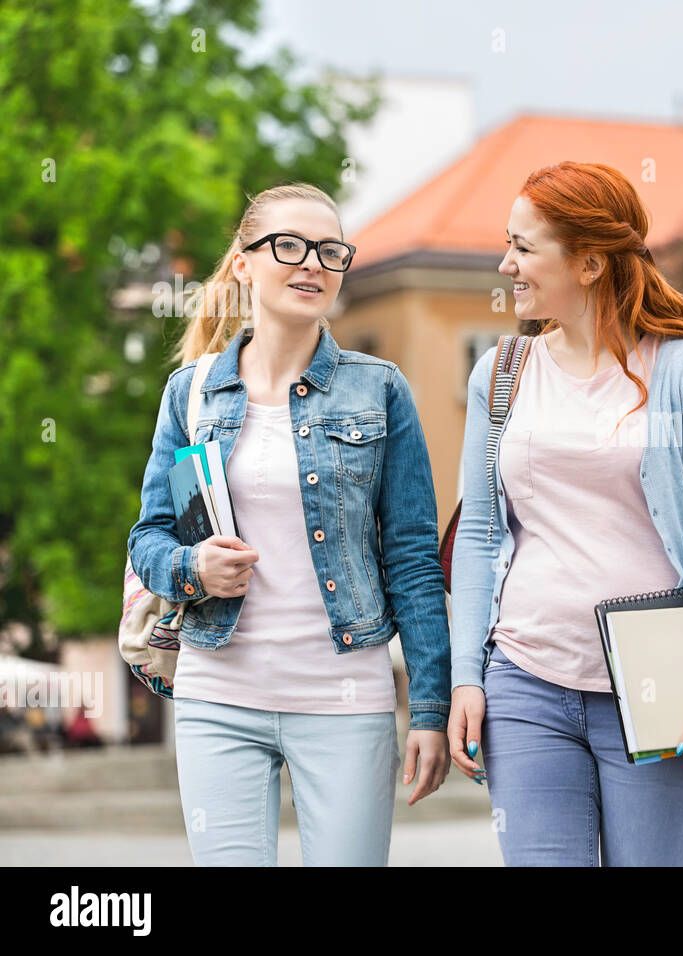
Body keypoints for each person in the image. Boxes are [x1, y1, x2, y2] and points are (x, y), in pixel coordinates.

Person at [127, 183, 451, 866]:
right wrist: (192, 567)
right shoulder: (191, 394)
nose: (312, 263)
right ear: (243, 264)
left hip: (345, 698)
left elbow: (413, 559)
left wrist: (430, 708)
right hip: (218, 695)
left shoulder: (380, 389)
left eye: (330, 251)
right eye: (290, 246)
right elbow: (150, 538)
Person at [447, 161, 683, 866]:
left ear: (588, 263)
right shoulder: (502, 372)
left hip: (661, 685)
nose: (506, 264)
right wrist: (467, 674)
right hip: (524, 678)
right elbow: (481, 535)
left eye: (524, 247)